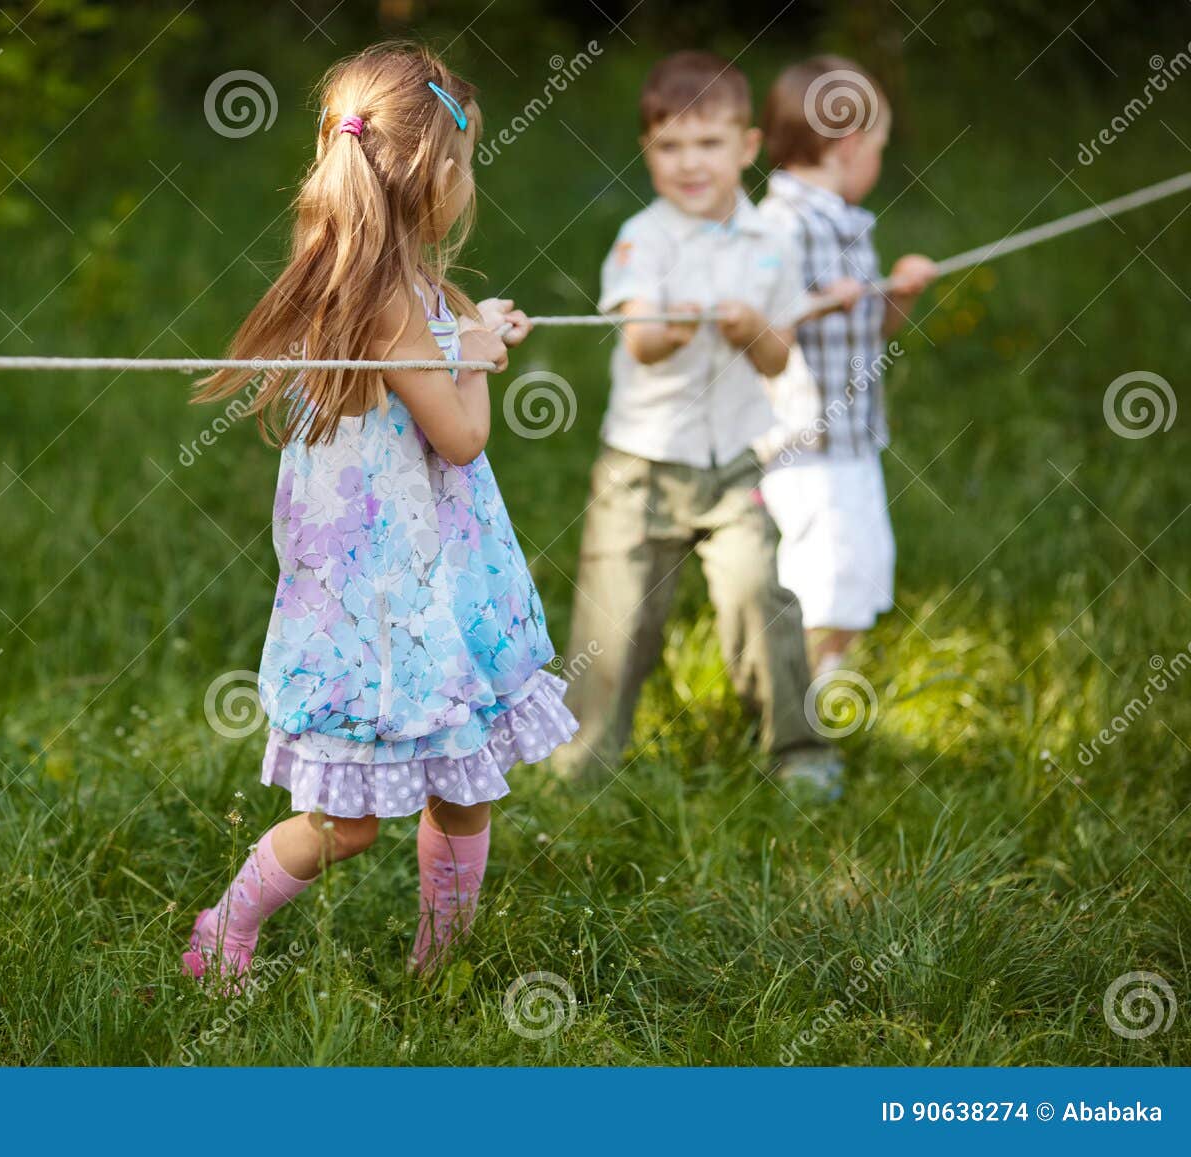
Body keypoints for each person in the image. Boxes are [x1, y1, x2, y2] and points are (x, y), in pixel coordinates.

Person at [182, 43, 578, 983]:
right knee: (347, 821)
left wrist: (477, 327)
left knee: (464, 785)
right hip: (389, 603)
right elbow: (462, 438)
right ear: (436, 173)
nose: (470, 182)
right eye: (468, 162)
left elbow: (446, 337)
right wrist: (476, 360)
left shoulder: (390, 284)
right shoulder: (390, 305)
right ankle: (223, 926)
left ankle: (440, 965)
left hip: (433, 580)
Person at [552, 50, 843, 799]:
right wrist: (672, 326)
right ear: (648, 152)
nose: (690, 163)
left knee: (757, 593)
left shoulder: (770, 243)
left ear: (746, 148)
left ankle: (796, 749)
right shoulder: (641, 238)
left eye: (709, 144)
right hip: (641, 466)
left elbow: (778, 360)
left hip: (735, 462)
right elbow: (641, 342)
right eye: (670, 145)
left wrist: (750, 329)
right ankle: (581, 761)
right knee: (615, 618)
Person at [757, 55, 938, 678]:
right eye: (879, 148)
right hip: (805, 442)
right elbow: (757, 324)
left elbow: (870, 327)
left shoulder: (847, 224)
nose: (878, 163)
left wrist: (901, 296)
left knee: (857, 572)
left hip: (852, 436)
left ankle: (824, 692)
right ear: (851, 144)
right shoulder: (782, 223)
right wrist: (813, 303)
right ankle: (796, 716)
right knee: (821, 579)